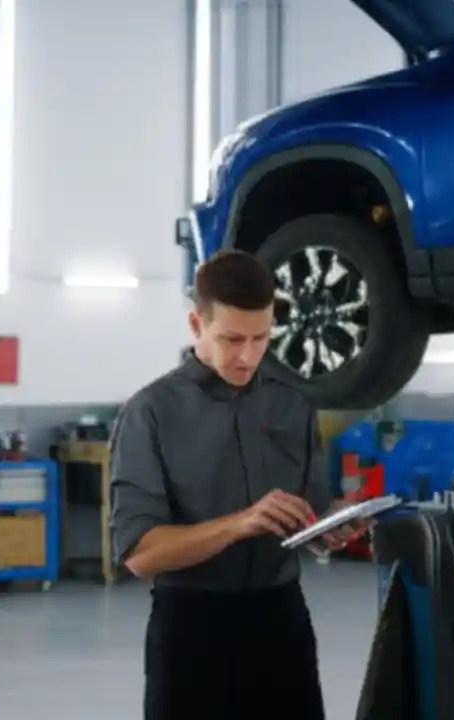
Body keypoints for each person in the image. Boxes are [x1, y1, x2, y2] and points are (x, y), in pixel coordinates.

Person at [108, 249, 361, 720]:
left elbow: (313, 515)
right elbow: (140, 554)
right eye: (231, 339)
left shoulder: (293, 406)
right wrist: (239, 524)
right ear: (195, 325)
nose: (247, 355)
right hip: (192, 631)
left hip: (283, 623)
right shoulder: (151, 414)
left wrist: (332, 527)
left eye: (261, 338)